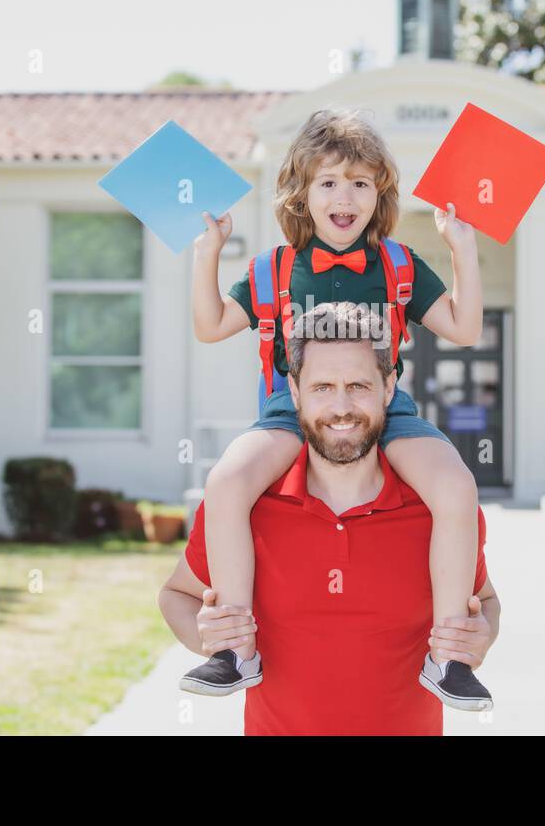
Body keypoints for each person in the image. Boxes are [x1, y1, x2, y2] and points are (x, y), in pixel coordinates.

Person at [185, 107, 491, 709]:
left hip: (386, 405)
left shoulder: (399, 263)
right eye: (328, 182)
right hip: (287, 406)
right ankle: (233, 649)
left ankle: (450, 658)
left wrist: (463, 249)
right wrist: (207, 252)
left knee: (455, 486)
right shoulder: (273, 267)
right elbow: (211, 324)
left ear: (380, 194)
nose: (344, 196)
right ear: (303, 193)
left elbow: (464, 326)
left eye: (360, 183)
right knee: (225, 483)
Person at [158, 302, 500, 734]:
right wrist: (209, 638)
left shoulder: (436, 508)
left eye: (358, 386)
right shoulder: (244, 509)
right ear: (295, 392)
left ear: (389, 388)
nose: (341, 407)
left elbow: (485, 601)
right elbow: (176, 596)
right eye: (322, 387)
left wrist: (480, 636)